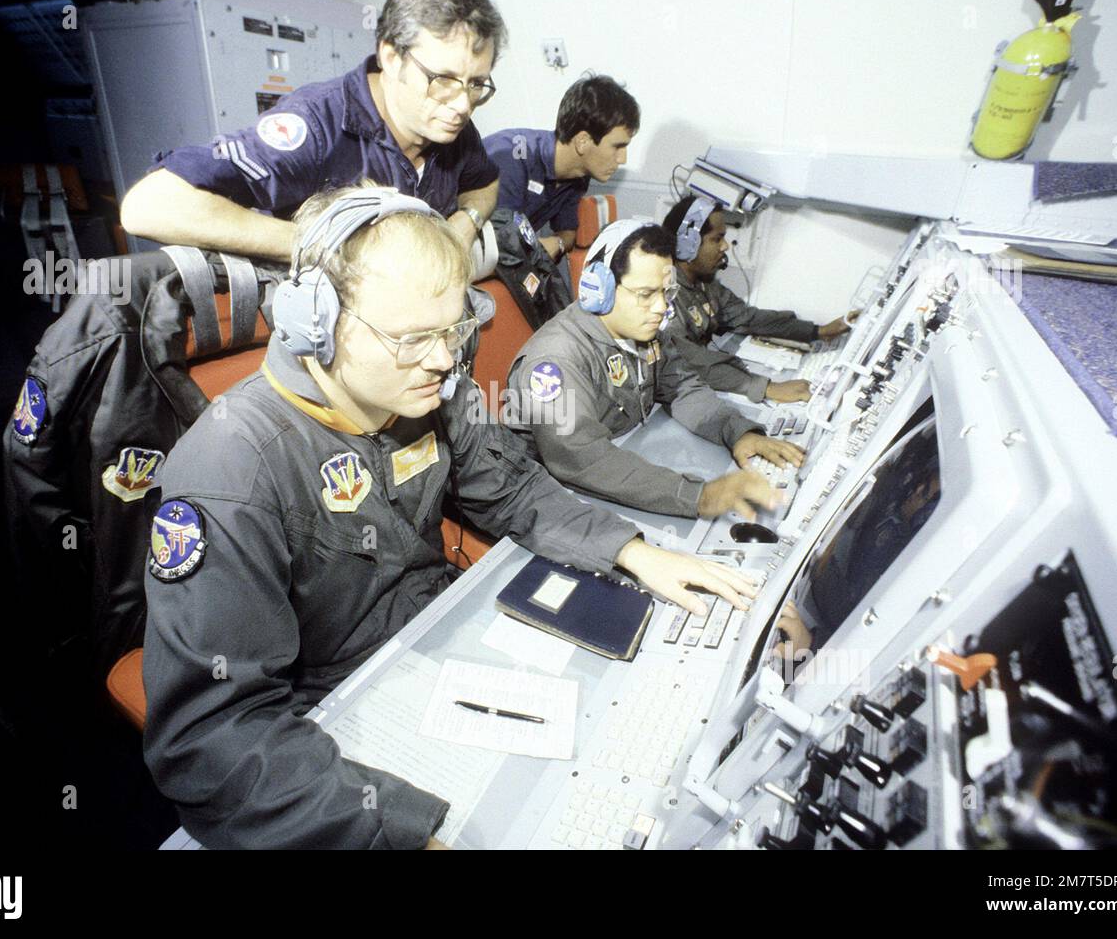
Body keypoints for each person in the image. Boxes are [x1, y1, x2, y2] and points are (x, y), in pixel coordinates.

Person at [142, 184, 763, 849]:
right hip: (323, 724)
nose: (444, 359)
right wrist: (395, 834)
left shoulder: (437, 390)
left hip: (436, 640)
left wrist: (636, 551)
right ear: (314, 321)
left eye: (453, 329)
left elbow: (515, 489)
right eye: (412, 338)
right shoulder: (229, 470)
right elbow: (210, 738)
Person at [120, 0, 505, 260]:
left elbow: (485, 183)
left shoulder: (448, 124)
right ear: (391, 57)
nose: (462, 105)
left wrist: (463, 224)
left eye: (476, 84)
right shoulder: (316, 126)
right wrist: (329, 248)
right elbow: (149, 206)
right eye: (443, 79)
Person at [504, 220, 806, 521]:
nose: (662, 307)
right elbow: (584, 460)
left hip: (623, 458)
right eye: (646, 294)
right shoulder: (556, 361)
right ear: (600, 289)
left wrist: (738, 432)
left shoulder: (642, 330)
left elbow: (683, 388)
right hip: (552, 495)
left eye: (666, 292)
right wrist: (698, 496)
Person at [660, 196, 859, 402]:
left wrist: (818, 331)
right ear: (686, 245)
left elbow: (749, 318)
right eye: (717, 239)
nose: (725, 246)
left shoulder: (705, 284)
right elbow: (689, 360)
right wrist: (766, 387)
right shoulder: (663, 297)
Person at [483, 74, 639, 263]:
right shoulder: (512, 157)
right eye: (617, 146)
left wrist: (556, 243)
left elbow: (568, 235)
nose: (622, 159)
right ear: (583, 141)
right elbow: (501, 242)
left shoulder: (578, 175)